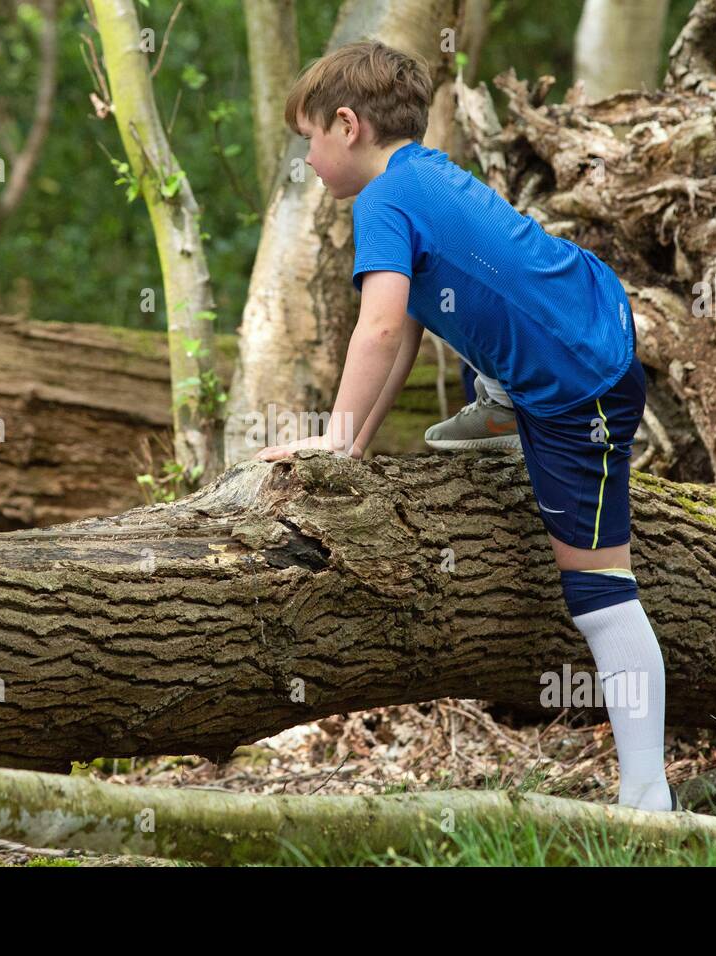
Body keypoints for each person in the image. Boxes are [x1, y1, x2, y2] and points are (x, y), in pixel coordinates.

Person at [254, 39, 675, 813]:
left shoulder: (382, 199)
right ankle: (502, 394)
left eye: (308, 138)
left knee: (600, 592)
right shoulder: (422, 175)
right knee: (464, 302)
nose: (307, 159)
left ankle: (649, 800)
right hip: (585, 307)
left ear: (347, 125)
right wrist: (348, 443)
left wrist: (332, 430)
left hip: (579, 382)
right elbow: (412, 319)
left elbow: (378, 331)